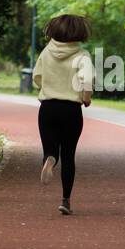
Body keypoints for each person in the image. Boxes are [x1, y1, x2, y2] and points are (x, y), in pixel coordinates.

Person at [32, 14, 94, 215]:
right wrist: (86, 98)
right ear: (79, 33)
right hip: (71, 110)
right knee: (69, 155)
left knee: (50, 149)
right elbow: (87, 81)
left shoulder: (46, 52)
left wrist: (47, 87)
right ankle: (65, 201)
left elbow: (36, 77)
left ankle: (49, 159)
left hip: (48, 108)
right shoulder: (82, 56)